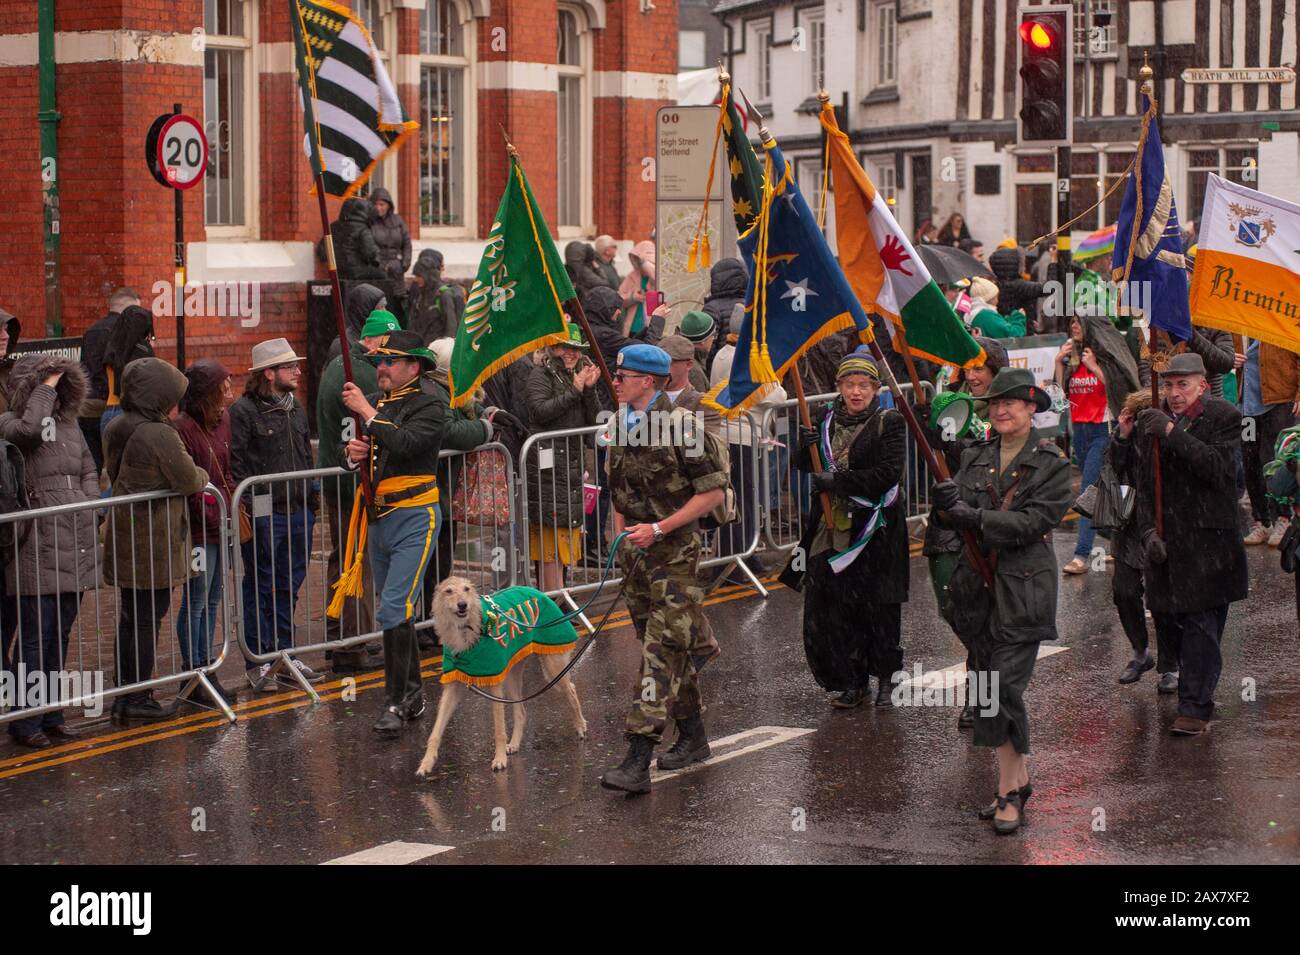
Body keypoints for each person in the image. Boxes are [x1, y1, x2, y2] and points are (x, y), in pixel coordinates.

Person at [931, 368, 1072, 834]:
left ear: (1033, 407)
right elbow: (954, 520)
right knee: (989, 688)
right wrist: (947, 504)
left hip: (1023, 587)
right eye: (994, 403)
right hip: (979, 587)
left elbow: (1034, 522)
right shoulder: (975, 455)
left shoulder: (1052, 462)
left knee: (1002, 688)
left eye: (1012, 402)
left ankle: (1008, 791)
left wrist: (974, 515)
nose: (1001, 410)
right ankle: (1019, 778)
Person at [599, 344, 727, 793]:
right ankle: (693, 737)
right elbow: (617, 489)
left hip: (675, 553)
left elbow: (712, 492)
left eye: (623, 375)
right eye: (615, 374)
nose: (614, 381)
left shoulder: (681, 426)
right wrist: (620, 539)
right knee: (669, 647)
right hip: (636, 554)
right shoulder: (618, 425)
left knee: (659, 651)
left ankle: (638, 754)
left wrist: (659, 527)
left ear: (648, 381)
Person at [1110, 353, 1249, 735]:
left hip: (1208, 544)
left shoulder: (1223, 416)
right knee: (1174, 627)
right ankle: (1192, 690)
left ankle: (1195, 707)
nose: (1173, 393)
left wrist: (1173, 434)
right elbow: (1132, 477)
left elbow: (1218, 472)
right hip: (1164, 543)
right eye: (1168, 385)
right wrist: (1124, 439)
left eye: (1182, 384)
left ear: (1202, 384)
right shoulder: (1150, 418)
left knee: (1202, 627)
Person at [783, 352, 909, 708]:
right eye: (850, 385)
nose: (857, 392)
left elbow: (887, 474)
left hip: (877, 528)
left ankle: (886, 679)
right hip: (833, 529)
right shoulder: (824, 420)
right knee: (839, 608)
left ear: (876, 389)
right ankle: (853, 680)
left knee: (880, 608)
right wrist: (802, 445)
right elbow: (801, 464)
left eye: (864, 386)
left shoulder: (890, 421)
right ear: (838, 387)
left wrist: (836, 481)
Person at [341, 330, 446, 738]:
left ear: (414, 366)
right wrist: (352, 456)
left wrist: (367, 411)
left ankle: (394, 702)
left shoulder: (430, 405)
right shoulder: (382, 405)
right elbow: (367, 451)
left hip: (416, 516)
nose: (381, 368)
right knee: (394, 609)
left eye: (390, 361)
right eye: (378, 361)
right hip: (378, 519)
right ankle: (414, 694)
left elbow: (405, 443)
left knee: (393, 605)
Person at [103, 358, 209, 723]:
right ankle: (140, 699)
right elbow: (188, 479)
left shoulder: (118, 426)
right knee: (148, 620)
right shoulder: (159, 433)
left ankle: (124, 695)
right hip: (154, 541)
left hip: (127, 535)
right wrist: (203, 471)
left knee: (130, 618)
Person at [0, 355, 99, 747]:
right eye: (49, 386)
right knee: (36, 637)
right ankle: (26, 721)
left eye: (60, 386)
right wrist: (44, 386)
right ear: (32, 388)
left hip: (73, 536)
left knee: (60, 634)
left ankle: (52, 713)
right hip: (36, 542)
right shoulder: (10, 422)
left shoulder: (72, 424)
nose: (57, 393)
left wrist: (87, 503)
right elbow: (30, 430)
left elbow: (90, 468)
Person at [917, 336, 1007, 727]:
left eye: (980, 368)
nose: (972, 376)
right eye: (967, 368)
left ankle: (982, 697)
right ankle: (986, 677)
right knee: (956, 611)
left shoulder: (1011, 408)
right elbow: (936, 448)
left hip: (990, 523)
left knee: (987, 617)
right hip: (949, 523)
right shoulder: (949, 406)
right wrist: (930, 428)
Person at [229, 338, 322, 691]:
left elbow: (304, 454)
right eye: (289, 367)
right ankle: (259, 660)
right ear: (269, 373)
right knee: (260, 585)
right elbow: (237, 464)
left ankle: (286, 652)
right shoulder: (243, 413)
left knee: (289, 585)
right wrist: (251, 508)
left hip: (298, 510)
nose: (297, 371)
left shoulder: (295, 408)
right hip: (266, 513)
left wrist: (312, 499)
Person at [317, 309, 400, 672]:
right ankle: (353, 645)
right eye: (390, 345)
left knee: (344, 558)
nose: (392, 357)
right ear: (377, 339)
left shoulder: (339, 362)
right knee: (357, 563)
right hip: (354, 481)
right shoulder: (363, 371)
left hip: (340, 478)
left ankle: (338, 633)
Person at [173, 360, 239, 704]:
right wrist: (214, 513)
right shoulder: (182, 427)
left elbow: (226, 469)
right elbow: (191, 482)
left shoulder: (223, 420)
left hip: (221, 523)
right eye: (224, 387)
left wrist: (228, 509)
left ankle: (208, 668)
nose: (229, 393)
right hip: (199, 529)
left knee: (213, 599)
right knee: (196, 601)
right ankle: (193, 669)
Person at [420, 336, 495, 634]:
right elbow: (451, 433)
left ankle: (432, 625)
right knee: (432, 565)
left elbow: (467, 413)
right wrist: (484, 428)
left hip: (444, 492)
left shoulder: (451, 392)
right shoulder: (437, 394)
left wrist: (483, 415)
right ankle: (426, 625)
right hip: (434, 492)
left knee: (441, 562)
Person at [1053, 313, 1134, 575]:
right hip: (1080, 432)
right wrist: (1058, 363)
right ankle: (1119, 541)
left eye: (1079, 322)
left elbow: (1120, 391)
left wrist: (1095, 367)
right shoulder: (1073, 359)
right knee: (1100, 493)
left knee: (1088, 490)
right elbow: (1059, 399)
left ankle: (1081, 555)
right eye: (1072, 322)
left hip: (1102, 431)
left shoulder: (1105, 357)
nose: (1074, 326)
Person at [1107, 390, 1177, 688]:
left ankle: (1171, 665)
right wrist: (1122, 437)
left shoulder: (1172, 431)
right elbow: (1112, 469)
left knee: (1163, 600)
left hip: (1163, 525)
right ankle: (1140, 652)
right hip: (1130, 523)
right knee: (1124, 592)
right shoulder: (1128, 434)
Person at [525, 324, 600, 593]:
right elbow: (540, 411)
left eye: (575, 349)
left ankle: (559, 598)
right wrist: (575, 391)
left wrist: (589, 390)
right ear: (550, 348)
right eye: (563, 347)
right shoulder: (539, 374)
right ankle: (553, 603)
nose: (570, 354)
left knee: (566, 535)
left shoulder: (577, 376)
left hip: (571, 467)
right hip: (547, 469)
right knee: (550, 539)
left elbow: (595, 424)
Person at [1242, 339, 1300, 547]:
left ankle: (1283, 519)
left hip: (1278, 402)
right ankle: (1261, 522)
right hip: (1248, 408)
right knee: (1250, 460)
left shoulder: (1277, 319)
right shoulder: (1236, 325)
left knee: (1274, 461)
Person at [79, 287, 139, 476]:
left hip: (88, 407)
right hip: (114, 405)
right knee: (116, 469)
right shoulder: (126, 333)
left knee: (92, 467)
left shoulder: (92, 330)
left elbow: (86, 368)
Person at [99, 304, 155, 451]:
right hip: (131, 413)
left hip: (109, 411)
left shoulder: (112, 347)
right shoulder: (142, 350)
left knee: (110, 469)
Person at [701, 258, 748, 369]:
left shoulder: (711, 309)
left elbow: (708, 350)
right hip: (746, 369)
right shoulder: (752, 305)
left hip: (720, 369)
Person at [407, 249, 461, 345]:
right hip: (422, 349)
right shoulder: (421, 294)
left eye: (419, 276)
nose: (416, 279)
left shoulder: (444, 295)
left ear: (428, 276)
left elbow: (451, 328)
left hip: (438, 351)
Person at [327, 283, 386, 365]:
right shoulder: (342, 344)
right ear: (364, 311)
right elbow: (334, 375)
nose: (385, 312)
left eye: (385, 307)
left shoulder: (381, 337)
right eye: (380, 308)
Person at [332, 196, 386, 283]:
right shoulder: (363, 229)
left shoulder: (333, 227)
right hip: (357, 272)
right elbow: (370, 254)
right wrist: (380, 262)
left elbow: (322, 252)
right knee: (383, 275)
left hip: (337, 272)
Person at [617, 240, 657, 335]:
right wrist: (633, 297)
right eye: (637, 260)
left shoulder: (658, 277)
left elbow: (655, 276)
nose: (639, 263)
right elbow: (618, 299)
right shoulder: (632, 276)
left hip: (652, 326)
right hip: (633, 327)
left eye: (642, 262)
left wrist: (645, 263)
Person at [678, 310, 717, 392]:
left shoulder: (680, 353)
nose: (714, 338)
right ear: (703, 340)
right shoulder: (694, 373)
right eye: (713, 335)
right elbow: (700, 403)